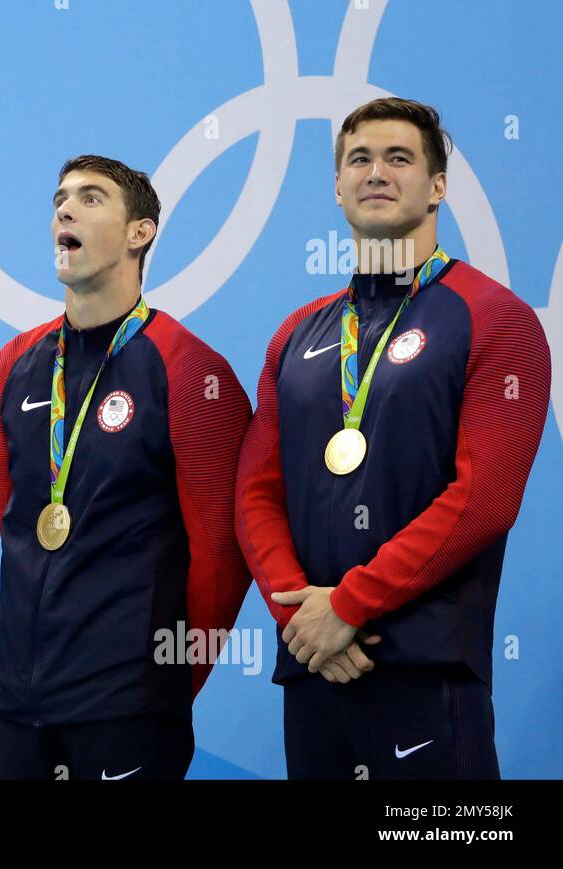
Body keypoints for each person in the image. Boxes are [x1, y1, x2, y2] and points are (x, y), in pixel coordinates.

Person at [234, 98, 550, 779]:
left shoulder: (498, 319)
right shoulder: (296, 334)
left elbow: (483, 500)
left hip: (426, 666)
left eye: (399, 158)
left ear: (438, 186)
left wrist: (347, 605)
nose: (377, 172)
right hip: (315, 666)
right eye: (359, 159)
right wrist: (302, 618)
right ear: (338, 186)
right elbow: (255, 493)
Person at [0, 155, 252, 780]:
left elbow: (221, 559)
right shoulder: (14, 364)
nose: (64, 210)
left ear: (141, 232)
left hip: (129, 708)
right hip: (20, 707)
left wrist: (162, 684)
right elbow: (15, 518)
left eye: (91, 197)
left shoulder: (190, 370)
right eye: (59, 198)